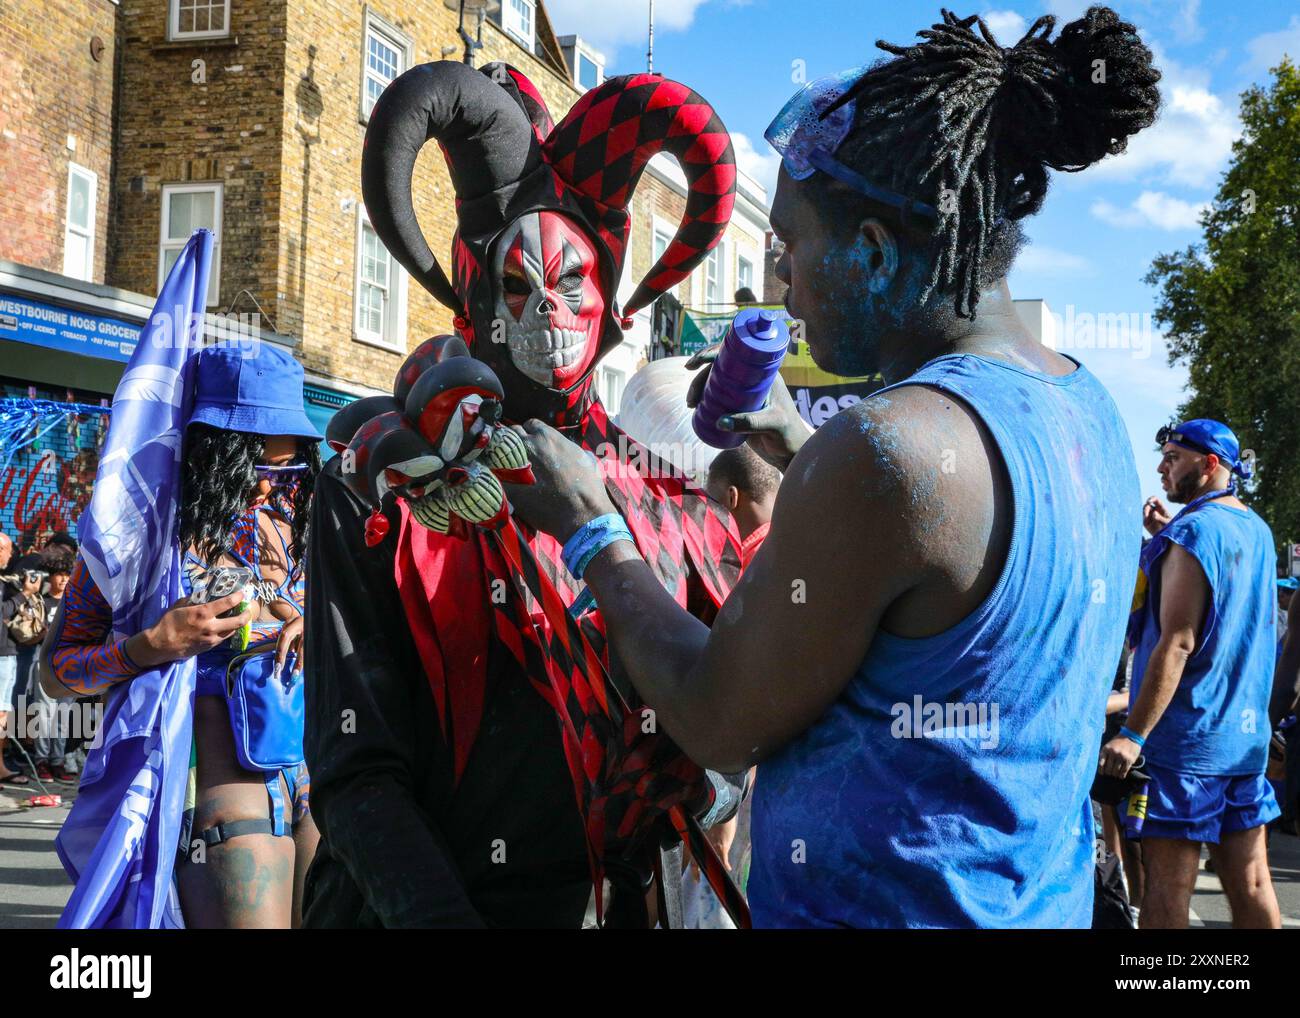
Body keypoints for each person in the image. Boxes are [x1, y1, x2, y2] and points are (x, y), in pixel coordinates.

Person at [502, 6, 1156, 927]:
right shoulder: (1086, 406)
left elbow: (718, 715)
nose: (783, 283)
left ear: (877, 255)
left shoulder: (894, 450)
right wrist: (801, 447)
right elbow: (954, 575)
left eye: (793, 246)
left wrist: (594, 531)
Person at [305, 59, 748, 928]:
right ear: (476, 295)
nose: (547, 309)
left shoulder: (673, 502)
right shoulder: (381, 486)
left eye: (573, 280)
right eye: (517, 285)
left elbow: (733, 726)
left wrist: (680, 787)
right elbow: (357, 774)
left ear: (610, 295)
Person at [43, 344, 322, 928]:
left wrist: (306, 618)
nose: (269, 488)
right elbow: (57, 673)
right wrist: (150, 646)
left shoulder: (285, 526)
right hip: (219, 791)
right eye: (257, 468)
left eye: (283, 469)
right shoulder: (136, 540)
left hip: (308, 775)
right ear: (214, 451)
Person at [1101, 419, 1282, 929]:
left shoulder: (1193, 532)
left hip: (1186, 745)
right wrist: (1167, 541)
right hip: (1243, 742)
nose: (1161, 467)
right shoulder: (1256, 528)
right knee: (1251, 884)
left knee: (1167, 887)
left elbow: (1178, 642)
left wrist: (1134, 734)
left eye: (1173, 457)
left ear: (1210, 465)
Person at [28, 552, 76, 783]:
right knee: (44, 714)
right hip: (45, 662)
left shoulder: (75, 604)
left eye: (68, 575)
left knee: (63, 716)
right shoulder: (41, 602)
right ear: (52, 577)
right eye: (60, 575)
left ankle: (58, 761)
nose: (64, 579)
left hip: (69, 664)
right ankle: (41, 760)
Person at [704, 445, 780, 570]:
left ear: (732, 497)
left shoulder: (749, 571)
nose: (708, 516)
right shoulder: (802, 540)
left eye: (712, 504)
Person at [0, 531, 33, 788]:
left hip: (6, 652)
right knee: (1, 714)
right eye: (8, 549)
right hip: (3, 655)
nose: (11, 555)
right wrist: (24, 594)